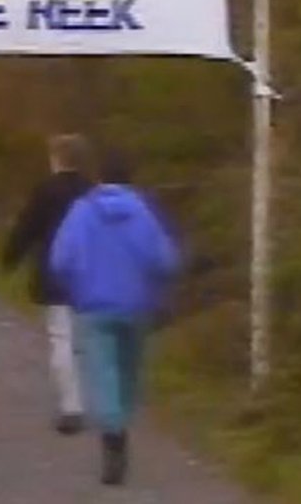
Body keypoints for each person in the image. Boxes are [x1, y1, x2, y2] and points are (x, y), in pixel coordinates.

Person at [49, 150, 181, 486]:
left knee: (102, 372)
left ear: (100, 177)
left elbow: (61, 259)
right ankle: (121, 422)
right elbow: (166, 260)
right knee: (129, 371)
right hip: (137, 306)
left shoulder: (82, 211)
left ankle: (113, 440)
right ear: (131, 177)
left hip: (93, 306)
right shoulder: (145, 212)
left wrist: (77, 283)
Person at [2, 134, 96, 435]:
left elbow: (27, 227)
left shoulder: (45, 191)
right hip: (90, 275)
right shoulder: (93, 192)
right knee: (86, 339)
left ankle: (72, 407)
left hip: (54, 274)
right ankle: (95, 397)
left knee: (61, 340)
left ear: (56, 159)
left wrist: (10, 258)